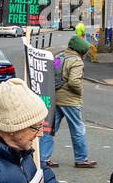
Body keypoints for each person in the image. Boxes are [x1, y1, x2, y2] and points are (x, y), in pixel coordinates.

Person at [42, 35, 97, 169]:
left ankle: (43, 158)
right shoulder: (76, 61)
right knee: (77, 129)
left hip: (55, 96)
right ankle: (81, 159)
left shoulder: (58, 58)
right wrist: (79, 91)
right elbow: (74, 81)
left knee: (49, 129)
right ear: (81, 51)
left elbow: (51, 74)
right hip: (70, 99)